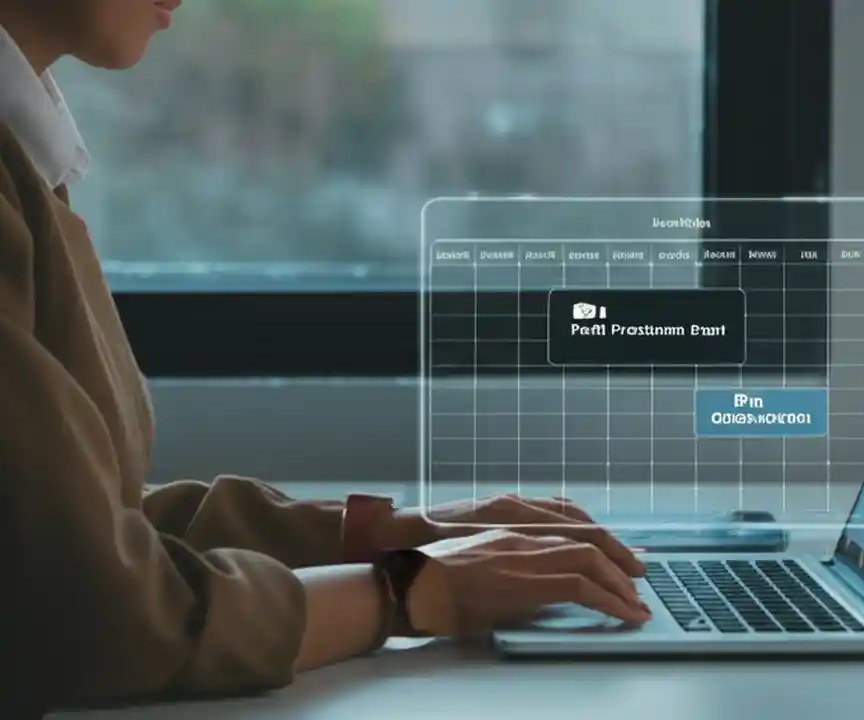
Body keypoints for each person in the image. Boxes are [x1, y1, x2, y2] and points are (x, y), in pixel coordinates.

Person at [0, 1, 650, 715]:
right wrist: (411, 590)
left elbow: (71, 526)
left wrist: (391, 534)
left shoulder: (25, 155)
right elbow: (103, 618)